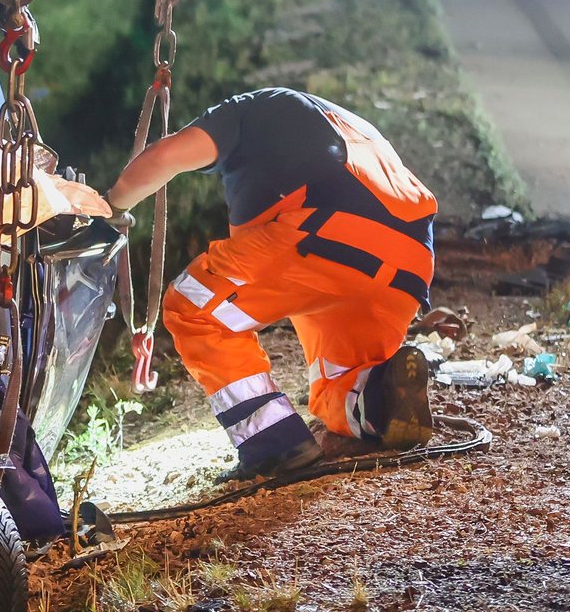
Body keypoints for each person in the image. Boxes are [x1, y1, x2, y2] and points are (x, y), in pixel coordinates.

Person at [104, 87, 437, 479]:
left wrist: (110, 207)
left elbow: (165, 156)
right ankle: (381, 399)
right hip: (409, 264)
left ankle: (273, 444)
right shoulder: (346, 122)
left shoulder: (245, 111)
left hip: (324, 238)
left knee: (191, 307)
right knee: (336, 380)